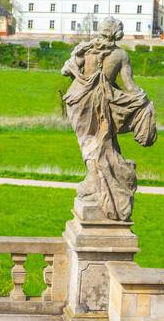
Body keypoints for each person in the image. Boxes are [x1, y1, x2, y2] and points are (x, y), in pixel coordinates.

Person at [61, 18, 156, 221]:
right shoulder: (120, 55)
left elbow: (66, 70)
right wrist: (144, 100)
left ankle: (94, 181)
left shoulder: (87, 48)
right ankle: (95, 181)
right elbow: (130, 86)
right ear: (118, 34)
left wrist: (77, 59)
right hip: (100, 102)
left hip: (77, 100)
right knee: (102, 143)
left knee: (90, 143)